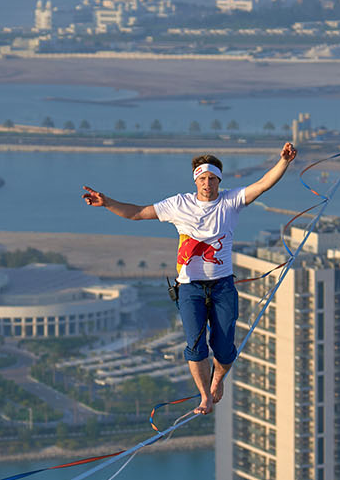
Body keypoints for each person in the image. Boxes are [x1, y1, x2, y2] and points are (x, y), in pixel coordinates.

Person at [81, 144, 297, 414]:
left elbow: (263, 184)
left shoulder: (231, 202)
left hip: (222, 286)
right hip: (189, 288)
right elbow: (137, 213)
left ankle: (218, 379)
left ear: (220, 180)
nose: (207, 183)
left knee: (224, 347)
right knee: (195, 344)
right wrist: (107, 202)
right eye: (202, 178)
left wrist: (284, 162)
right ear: (196, 180)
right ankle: (204, 396)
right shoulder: (179, 205)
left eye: (212, 178)